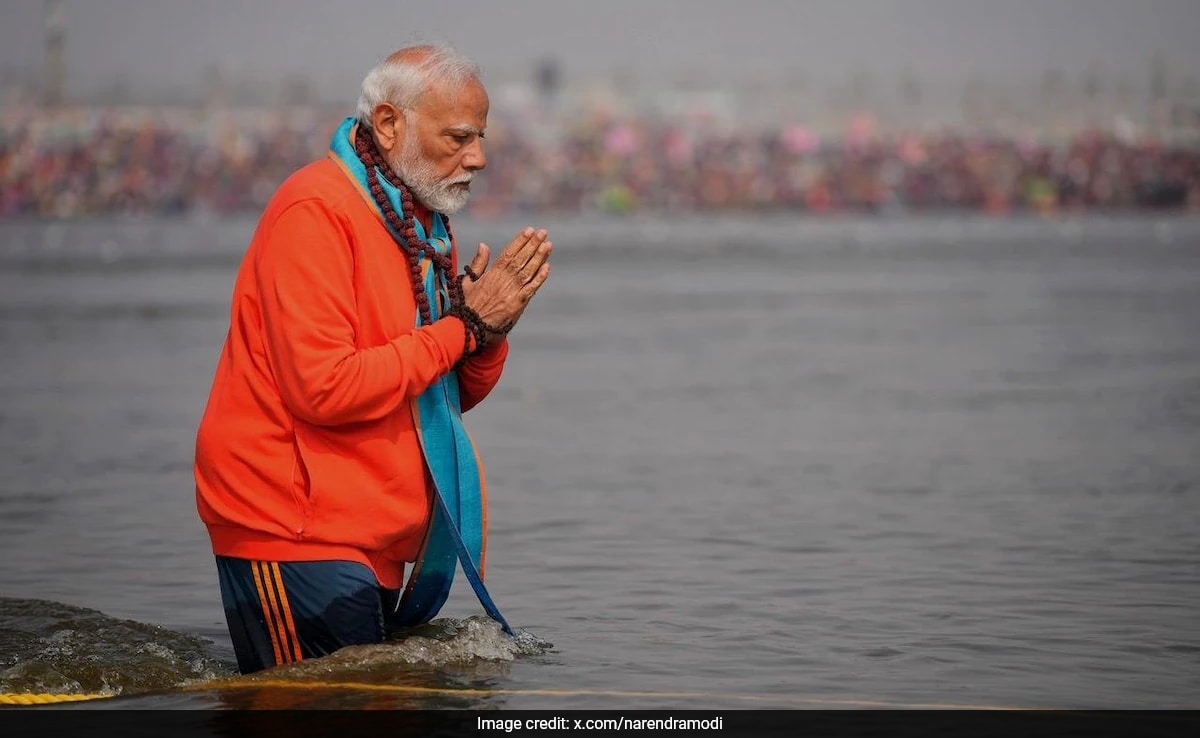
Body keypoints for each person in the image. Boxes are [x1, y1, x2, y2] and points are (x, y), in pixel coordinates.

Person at [193, 43, 552, 674]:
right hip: (291, 530)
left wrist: (486, 336)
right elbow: (324, 389)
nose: (480, 157)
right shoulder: (317, 210)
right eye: (460, 137)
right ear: (389, 125)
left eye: (482, 137)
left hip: (371, 536)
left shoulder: (415, 218)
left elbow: (433, 394)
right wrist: (463, 327)